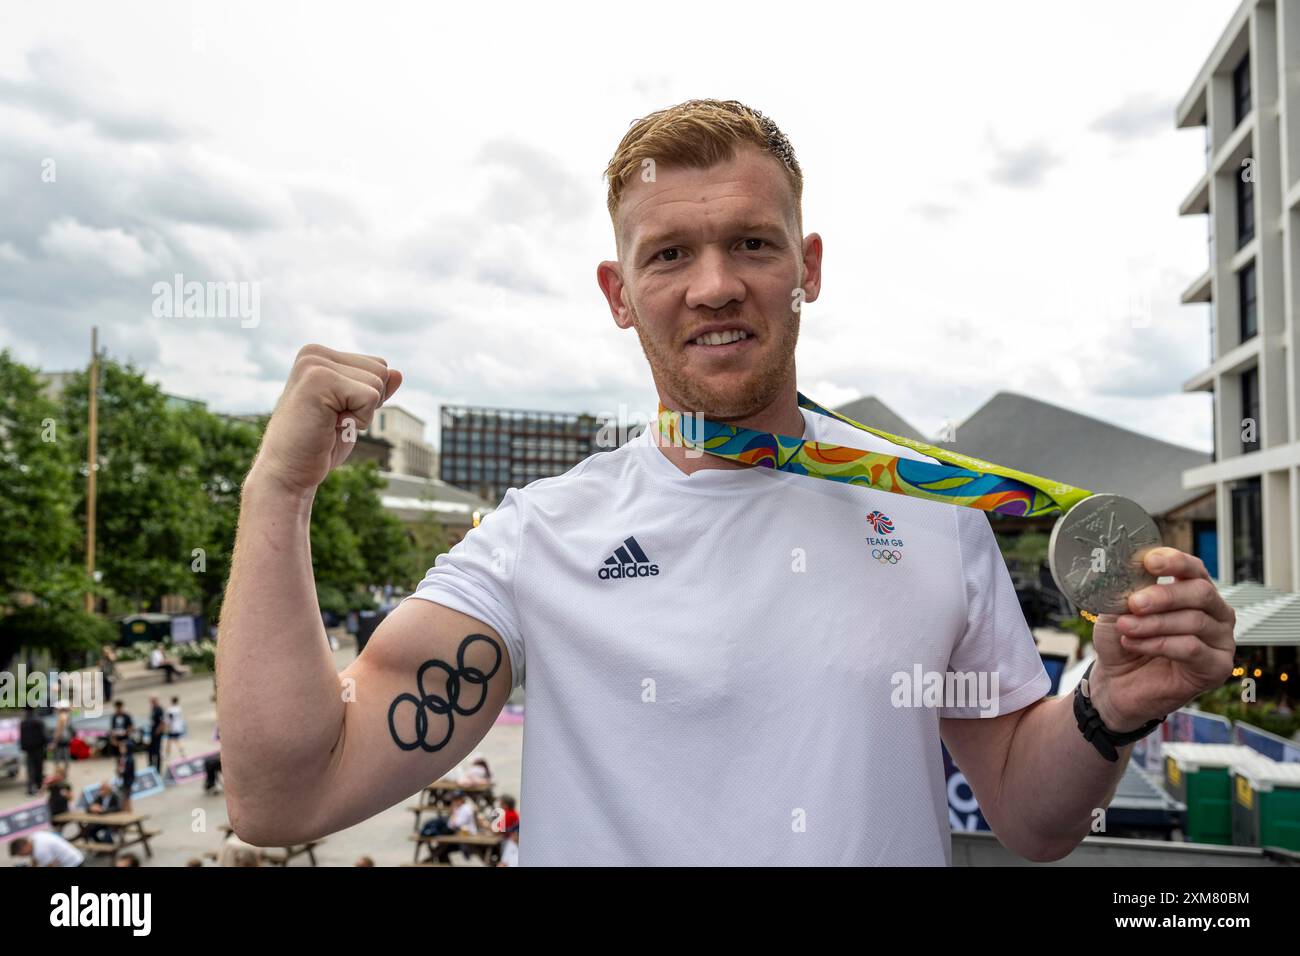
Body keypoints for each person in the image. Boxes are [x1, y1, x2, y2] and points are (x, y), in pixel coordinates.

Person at [217, 99, 1238, 865]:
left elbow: (1027, 810)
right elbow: (284, 794)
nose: (714, 283)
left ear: (809, 265)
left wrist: (1110, 703)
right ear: (619, 293)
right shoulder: (542, 536)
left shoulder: (935, 516)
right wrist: (278, 493)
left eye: (752, 241)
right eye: (669, 253)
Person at [8, 831, 85, 868]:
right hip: (75, 854)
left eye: (21, 854)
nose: (23, 857)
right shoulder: (34, 837)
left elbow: (51, 865)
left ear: (24, 848)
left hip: (73, 863)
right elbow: (33, 857)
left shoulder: (40, 851)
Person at [18, 708, 47, 796]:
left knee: (30, 768)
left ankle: (30, 788)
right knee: (39, 767)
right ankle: (39, 786)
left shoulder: (23, 722)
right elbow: (43, 734)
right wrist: (46, 743)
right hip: (38, 747)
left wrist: (23, 747)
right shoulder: (38, 721)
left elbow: (22, 736)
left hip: (29, 748)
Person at [116, 738, 137, 812]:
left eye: (123, 747)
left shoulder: (130, 759)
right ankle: (125, 812)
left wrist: (122, 771)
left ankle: (129, 813)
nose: (121, 748)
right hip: (121, 781)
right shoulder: (120, 758)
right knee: (123, 799)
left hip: (128, 782)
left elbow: (130, 772)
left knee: (127, 799)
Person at [164, 696, 187, 761]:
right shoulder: (179, 708)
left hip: (172, 728)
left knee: (170, 741)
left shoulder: (170, 710)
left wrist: (168, 728)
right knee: (175, 740)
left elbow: (169, 720)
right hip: (178, 727)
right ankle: (182, 752)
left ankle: (167, 754)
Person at [51, 701, 73, 772]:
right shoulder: (68, 716)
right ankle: (65, 771)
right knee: (66, 755)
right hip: (67, 737)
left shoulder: (61, 717)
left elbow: (59, 729)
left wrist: (55, 740)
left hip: (61, 738)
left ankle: (58, 771)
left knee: (57, 755)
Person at [146, 697, 165, 772]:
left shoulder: (159, 710)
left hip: (156, 735)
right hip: (152, 734)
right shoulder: (153, 709)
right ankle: (151, 766)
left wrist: (157, 732)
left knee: (157, 752)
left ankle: (158, 769)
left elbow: (162, 722)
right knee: (150, 751)